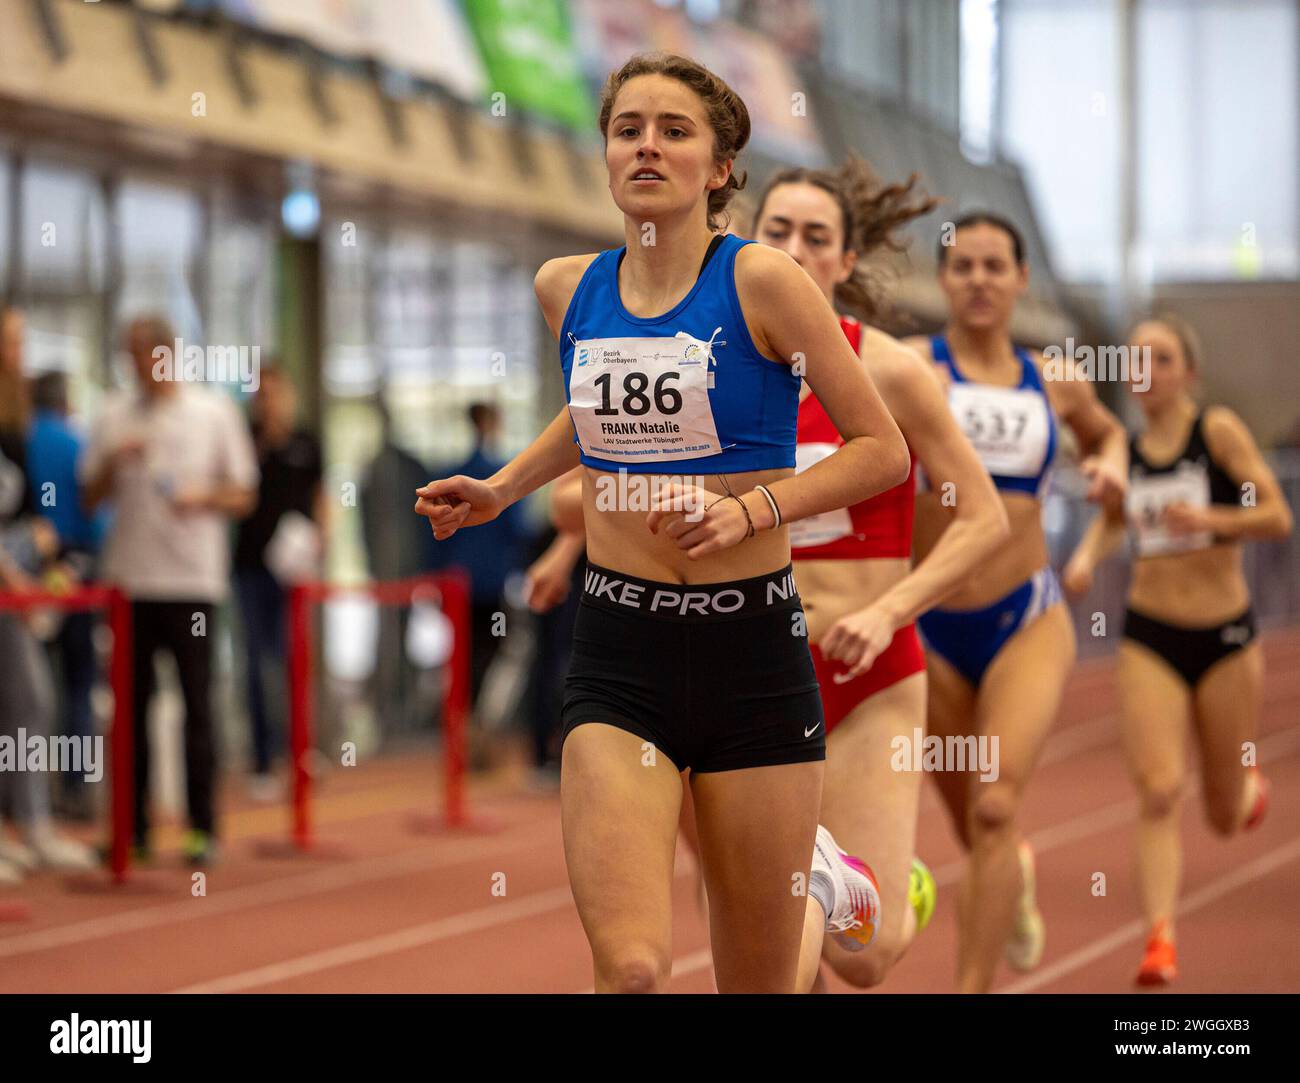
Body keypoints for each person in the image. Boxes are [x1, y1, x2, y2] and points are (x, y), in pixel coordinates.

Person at [416, 52, 909, 992]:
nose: (647, 145)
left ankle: (820, 880)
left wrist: (750, 508)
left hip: (754, 654)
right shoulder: (566, 286)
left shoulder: (764, 282)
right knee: (634, 967)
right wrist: (505, 486)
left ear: (721, 168)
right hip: (620, 650)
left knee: (758, 981)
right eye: (627, 128)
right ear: (605, 155)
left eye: (674, 131)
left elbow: (880, 450)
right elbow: (594, 413)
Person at [747, 159, 1009, 992]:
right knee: (773, 933)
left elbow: (983, 517)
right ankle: (826, 873)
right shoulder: (712, 371)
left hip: (868, 671)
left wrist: (893, 608)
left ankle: (883, 886)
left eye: (815, 237)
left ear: (845, 260)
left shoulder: (890, 370)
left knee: (865, 954)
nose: (794, 249)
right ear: (751, 244)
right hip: (750, 678)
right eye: (777, 231)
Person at [900, 213, 1128, 992]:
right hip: (927, 627)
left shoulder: (1054, 378)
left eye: (996, 265)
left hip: (1026, 616)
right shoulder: (907, 367)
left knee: (996, 809)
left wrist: (1110, 475)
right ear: (943, 279)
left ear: (1022, 279)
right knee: (972, 821)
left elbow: (1108, 436)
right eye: (963, 266)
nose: (980, 280)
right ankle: (1012, 878)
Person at [1063, 314, 1290, 985]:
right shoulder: (1124, 450)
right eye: (1134, 360)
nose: (1144, 372)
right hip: (1150, 633)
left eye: (1160, 359)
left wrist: (1214, 519)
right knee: (1158, 790)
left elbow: (1276, 514)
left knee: (1222, 813)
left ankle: (1243, 789)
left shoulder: (1215, 430)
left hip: (1223, 636)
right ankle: (1158, 937)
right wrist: (1082, 559)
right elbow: (1113, 523)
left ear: (1188, 372)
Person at [81, 315, 259, 865]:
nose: (140, 368)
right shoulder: (112, 416)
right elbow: (88, 497)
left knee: (197, 708)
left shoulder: (212, 413)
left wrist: (200, 497)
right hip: (129, 585)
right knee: (130, 712)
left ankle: (201, 828)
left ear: (169, 354)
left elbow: (244, 494)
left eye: (147, 355)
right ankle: (132, 830)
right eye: (131, 357)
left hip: (192, 586)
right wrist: (114, 461)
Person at [0, 305, 96, 880]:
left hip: (13, 588)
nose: (20, 355)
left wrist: (46, 559)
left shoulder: (18, 424)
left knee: (32, 699)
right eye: (11, 342)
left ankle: (33, 823)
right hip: (8, 581)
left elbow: (33, 510)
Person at [233, 367, 323, 798]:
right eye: (263, 395)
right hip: (251, 568)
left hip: (295, 570)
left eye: (277, 393)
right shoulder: (246, 440)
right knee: (256, 664)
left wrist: (322, 540)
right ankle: (262, 761)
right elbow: (235, 490)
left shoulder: (307, 442)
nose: (271, 402)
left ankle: (300, 752)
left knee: (295, 662)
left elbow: (323, 495)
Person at [26, 371, 108, 821]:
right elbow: (95, 513)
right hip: (74, 563)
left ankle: (25, 793)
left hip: (27, 565)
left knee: (27, 685)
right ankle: (76, 787)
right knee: (79, 680)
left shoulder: (23, 438)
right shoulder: (75, 443)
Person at [426, 403, 528, 713]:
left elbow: (434, 538)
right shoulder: (501, 478)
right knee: (487, 649)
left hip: (460, 582)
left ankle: (464, 718)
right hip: (488, 582)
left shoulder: (452, 476)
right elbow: (518, 532)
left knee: (465, 652)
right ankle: (468, 721)